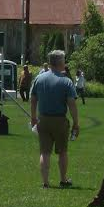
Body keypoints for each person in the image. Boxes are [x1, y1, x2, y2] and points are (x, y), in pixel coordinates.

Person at [29, 50, 80, 188]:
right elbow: (72, 104)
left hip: (43, 120)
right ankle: (63, 179)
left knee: (45, 152)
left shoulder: (39, 79)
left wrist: (33, 117)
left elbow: (33, 100)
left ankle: (45, 182)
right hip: (59, 120)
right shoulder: (66, 81)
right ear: (60, 62)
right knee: (62, 151)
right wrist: (76, 123)